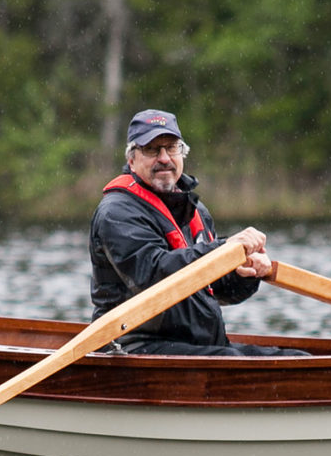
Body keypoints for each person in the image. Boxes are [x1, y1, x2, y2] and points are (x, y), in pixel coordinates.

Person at [89, 109, 308, 356]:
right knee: (233, 364)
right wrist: (223, 250)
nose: (164, 158)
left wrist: (243, 271)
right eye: (152, 149)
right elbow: (153, 275)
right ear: (132, 160)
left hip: (199, 345)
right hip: (135, 346)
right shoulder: (117, 212)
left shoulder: (195, 211)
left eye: (171, 148)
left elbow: (221, 289)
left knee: (296, 358)